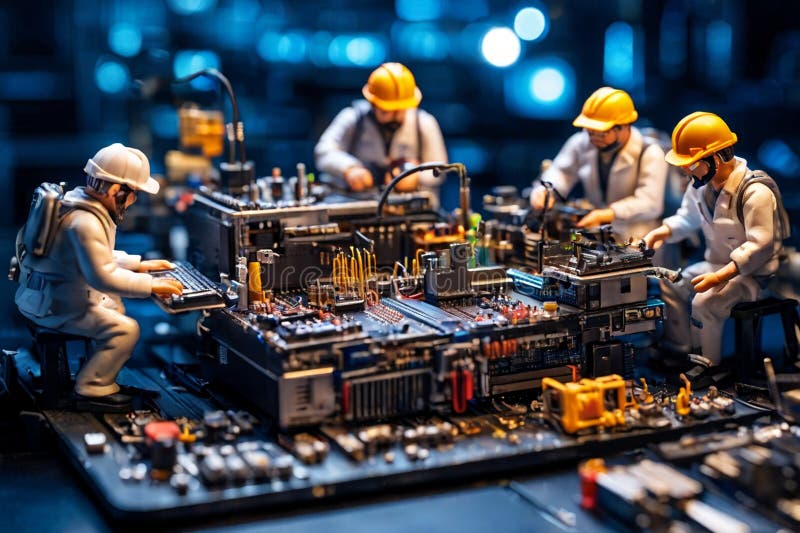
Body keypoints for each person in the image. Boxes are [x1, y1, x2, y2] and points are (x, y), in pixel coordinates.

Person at [15, 143, 183, 412]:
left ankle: (98, 372)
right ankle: (93, 387)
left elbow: (93, 257)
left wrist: (138, 265)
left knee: (114, 306)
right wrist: (150, 286)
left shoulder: (78, 205)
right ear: (116, 190)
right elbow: (103, 276)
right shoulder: (86, 222)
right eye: (134, 193)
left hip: (48, 294)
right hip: (54, 305)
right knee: (125, 329)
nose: (134, 200)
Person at [643, 112, 787, 370]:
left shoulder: (755, 192)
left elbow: (759, 245)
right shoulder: (700, 185)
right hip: (716, 267)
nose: (685, 170)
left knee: (705, 302)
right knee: (673, 286)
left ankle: (707, 364)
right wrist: (662, 232)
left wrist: (720, 278)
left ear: (716, 159)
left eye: (691, 163)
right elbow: (687, 218)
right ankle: (680, 348)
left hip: (755, 276)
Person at [530, 87, 668, 243]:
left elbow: (650, 203)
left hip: (638, 238)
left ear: (623, 126)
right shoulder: (582, 142)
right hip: (598, 237)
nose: (594, 138)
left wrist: (607, 214)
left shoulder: (650, 152)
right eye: (590, 131)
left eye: (601, 133)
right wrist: (545, 191)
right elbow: (562, 172)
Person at [314, 62, 448, 205]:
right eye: (386, 112)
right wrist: (349, 169)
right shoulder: (353, 118)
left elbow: (441, 167)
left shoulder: (424, 123)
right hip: (362, 207)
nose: (395, 117)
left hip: (410, 209)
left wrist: (416, 176)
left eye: (401, 110)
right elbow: (323, 151)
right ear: (373, 104)